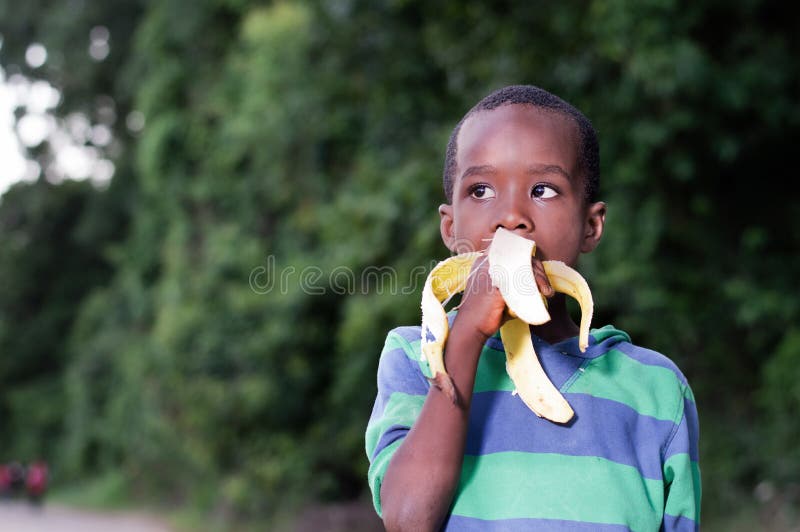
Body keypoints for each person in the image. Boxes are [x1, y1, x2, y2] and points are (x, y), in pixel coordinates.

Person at [365, 85, 701, 531]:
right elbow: (407, 521)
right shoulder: (415, 357)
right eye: (481, 190)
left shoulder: (656, 391)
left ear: (591, 225)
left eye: (543, 189)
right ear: (450, 228)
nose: (511, 216)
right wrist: (464, 337)